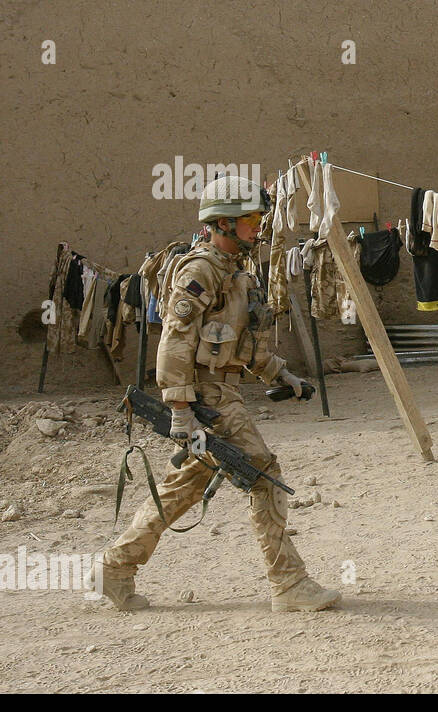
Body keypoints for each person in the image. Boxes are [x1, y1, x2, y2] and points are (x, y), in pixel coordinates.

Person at [95, 176, 340, 612]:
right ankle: (289, 583)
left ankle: (115, 567)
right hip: (208, 397)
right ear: (222, 223)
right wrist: (181, 409)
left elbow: (242, 342)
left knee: (186, 485)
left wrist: (283, 374)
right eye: (250, 220)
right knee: (263, 475)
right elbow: (175, 342)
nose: (257, 228)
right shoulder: (199, 271)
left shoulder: (237, 274)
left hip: (224, 389)